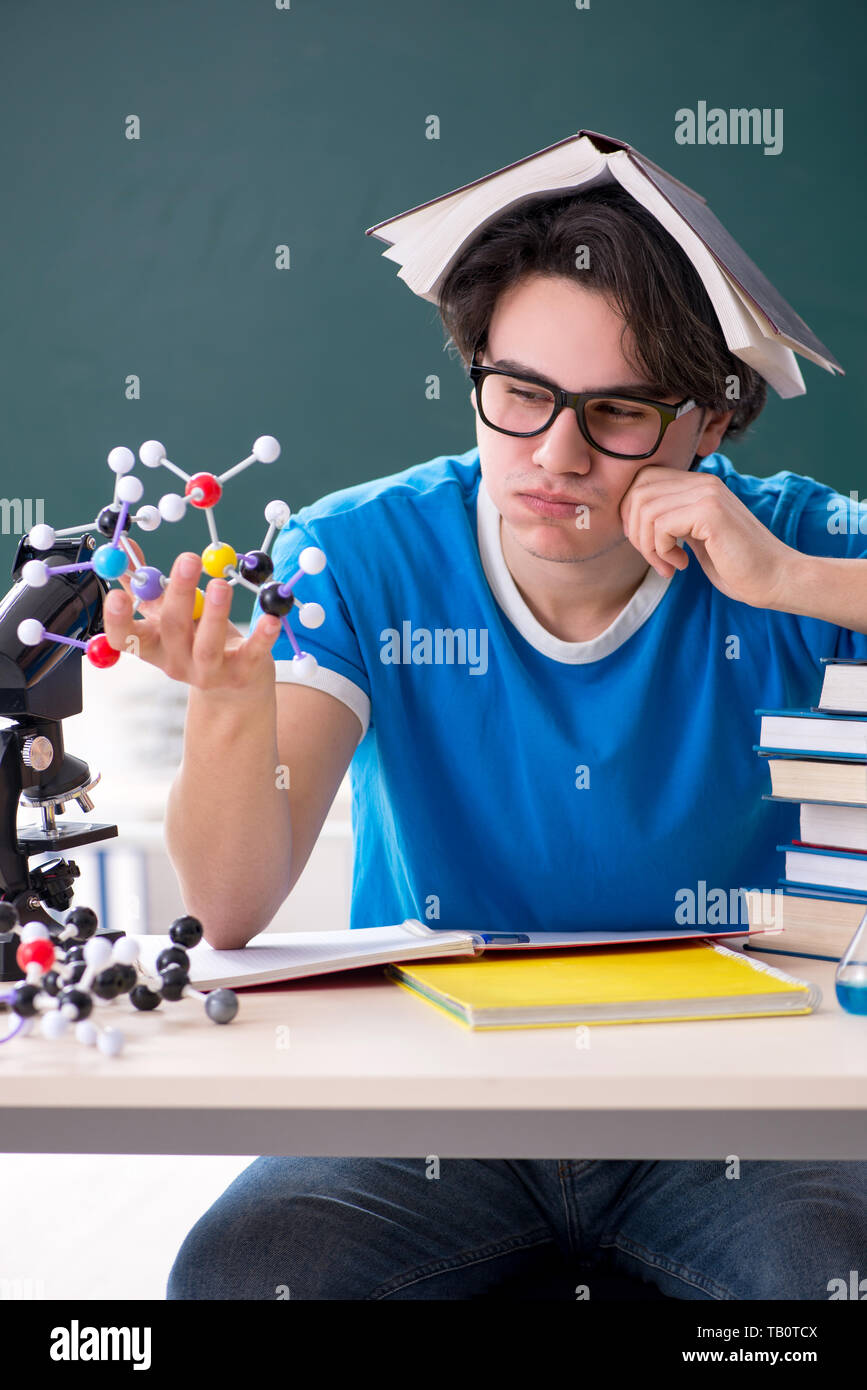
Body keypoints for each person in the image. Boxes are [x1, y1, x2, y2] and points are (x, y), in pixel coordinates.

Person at [104, 184, 867, 1299]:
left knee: (829, 1277)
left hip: (734, 1109)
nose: (555, 454)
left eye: (618, 413)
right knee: (246, 1274)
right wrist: (228, 701)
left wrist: (794, 582)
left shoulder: (793, 539)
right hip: (432, 1102)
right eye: (520, 394)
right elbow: (229, 907)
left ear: (707, 423)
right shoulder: (358, 553)